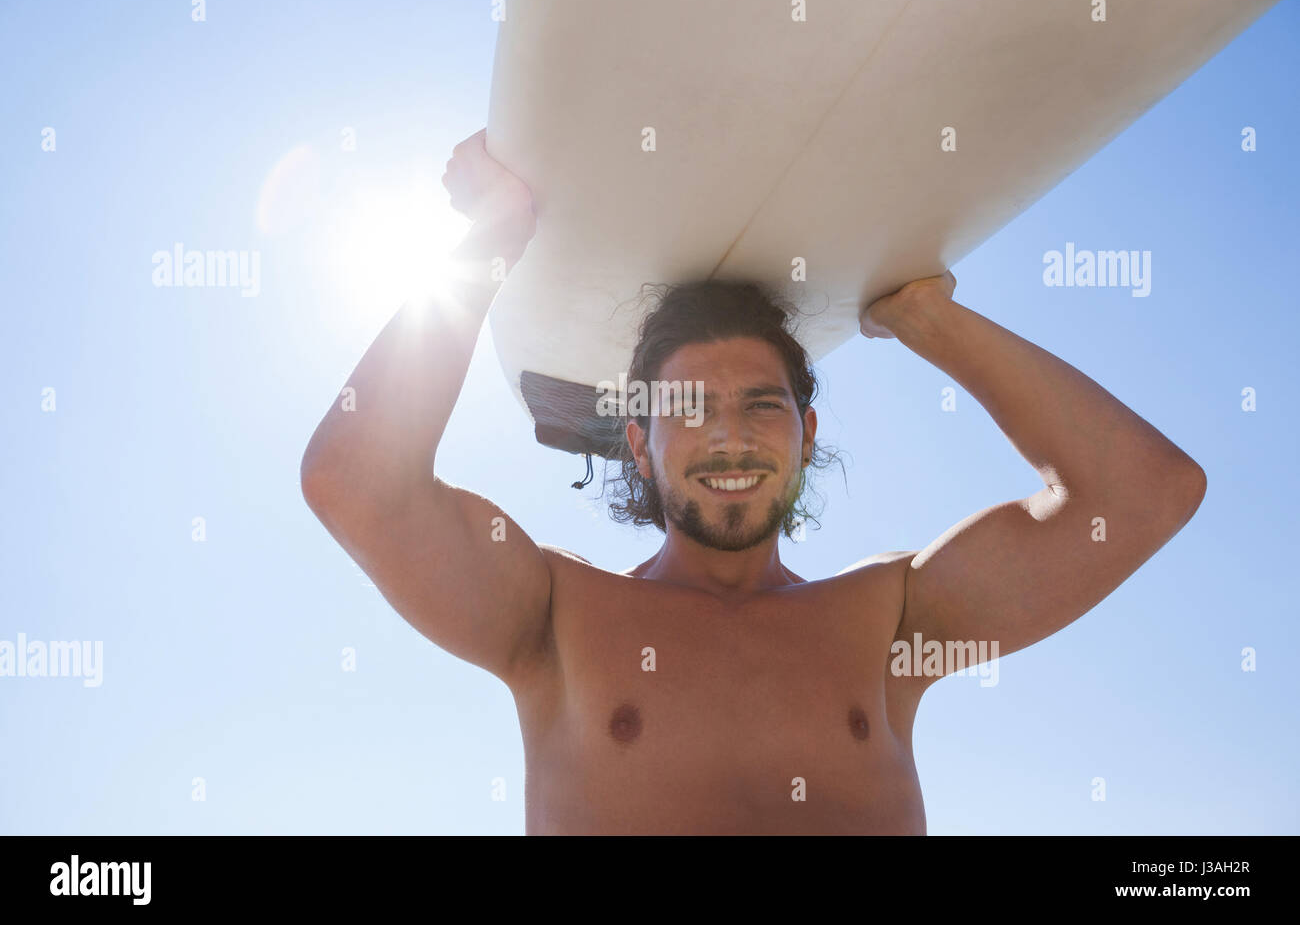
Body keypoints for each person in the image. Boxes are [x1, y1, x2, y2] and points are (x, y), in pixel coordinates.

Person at [301, 128, 1206, 834]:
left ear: (807, 434)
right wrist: (498, 234)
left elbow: (1145, 493)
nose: (729, 435)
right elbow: (356, 481)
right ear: (641, 443)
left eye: (764, 406)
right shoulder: (553, 618)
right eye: (690, 408)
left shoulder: (890, 622)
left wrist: (929, 319)